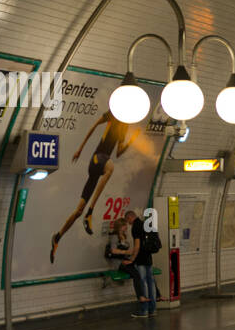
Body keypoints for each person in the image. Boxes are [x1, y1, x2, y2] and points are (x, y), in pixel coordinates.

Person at [50, 110, 137, 263]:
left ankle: (57, 237)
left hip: (100, 166)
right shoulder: (115, 112)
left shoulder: (124, 127)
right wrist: (80, 149)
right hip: (97, 158)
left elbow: (118, 152)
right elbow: (93, 127)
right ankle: (90, 212)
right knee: (111, 168)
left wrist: (131, 141)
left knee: (78, 211)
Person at [120, 209, 156, 318]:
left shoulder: (135, 227)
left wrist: (132, 260)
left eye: (128, 221)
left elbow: (137, 246)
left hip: (140, 260)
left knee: (142, 282)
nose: (128, 223)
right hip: (149, 258)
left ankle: (144, 310)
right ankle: (152, 310)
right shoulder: (145, 224)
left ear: (130, 217)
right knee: (151, 283)